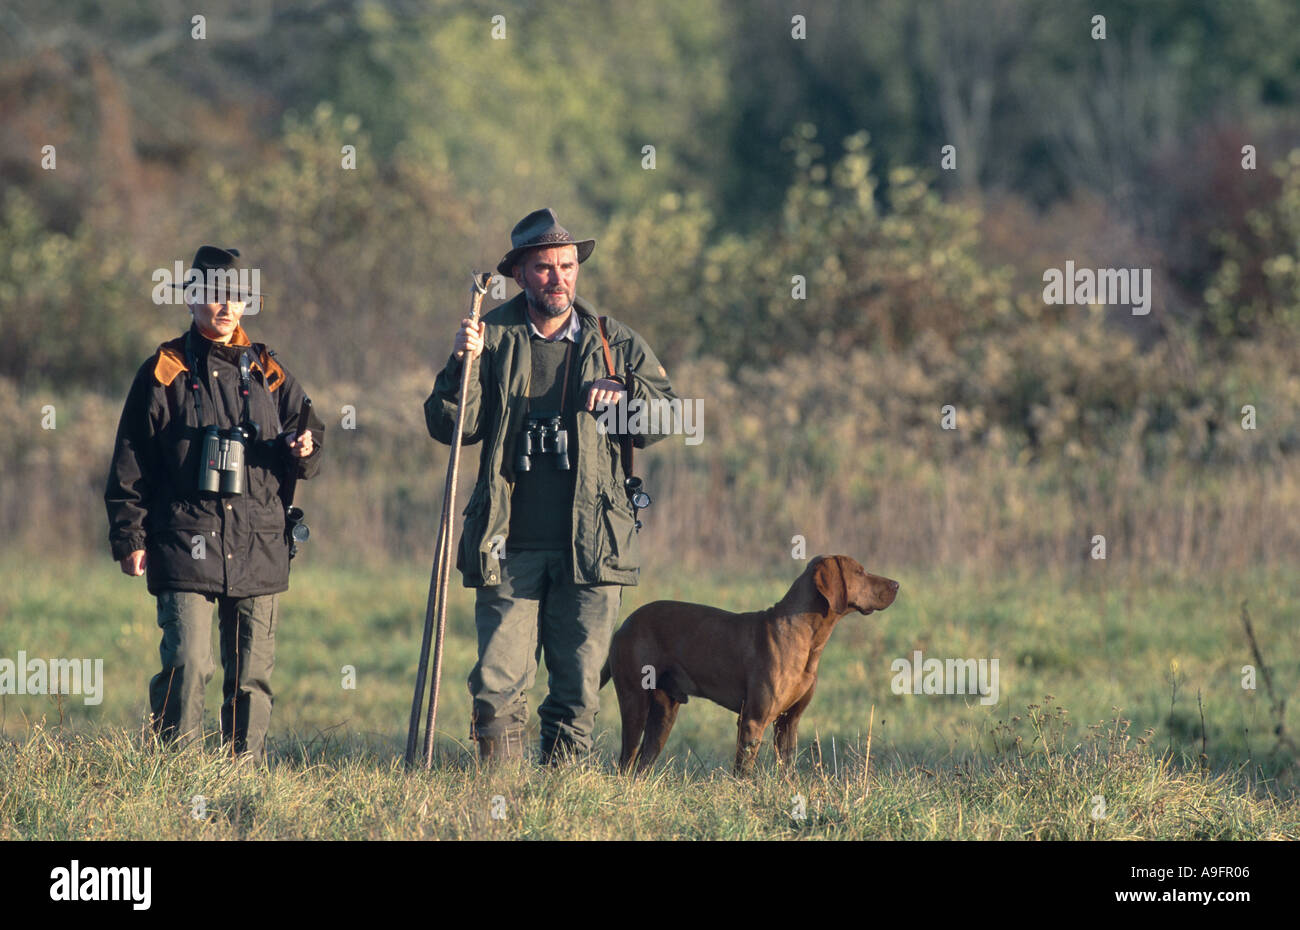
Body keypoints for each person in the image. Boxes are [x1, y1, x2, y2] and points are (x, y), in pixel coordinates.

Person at [425, 208, 678, 764]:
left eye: (567, 265)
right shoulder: (490, 336)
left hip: (591, 544)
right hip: (508, 538)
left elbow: (669, 419)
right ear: (520, 273)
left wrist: (625, 395)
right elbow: (451, 427)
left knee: (578, 692)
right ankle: (500, 800)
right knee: (495, 687)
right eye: (544, 267)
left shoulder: (613, 341)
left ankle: (563, 807)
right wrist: (459, 365)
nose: (558, 277)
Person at [105, 245, 323, 763]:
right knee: (188, 662)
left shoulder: (268, 369)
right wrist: (129, 537)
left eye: (236, 297)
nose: (225, 307)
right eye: (213, 296)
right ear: (191, 300)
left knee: (251, 675)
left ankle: (241, 779)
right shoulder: (164, 370)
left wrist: (304, 446)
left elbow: (310, 430)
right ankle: (175, 777)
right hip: (185, 542)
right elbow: (129, 459)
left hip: (260, 543)